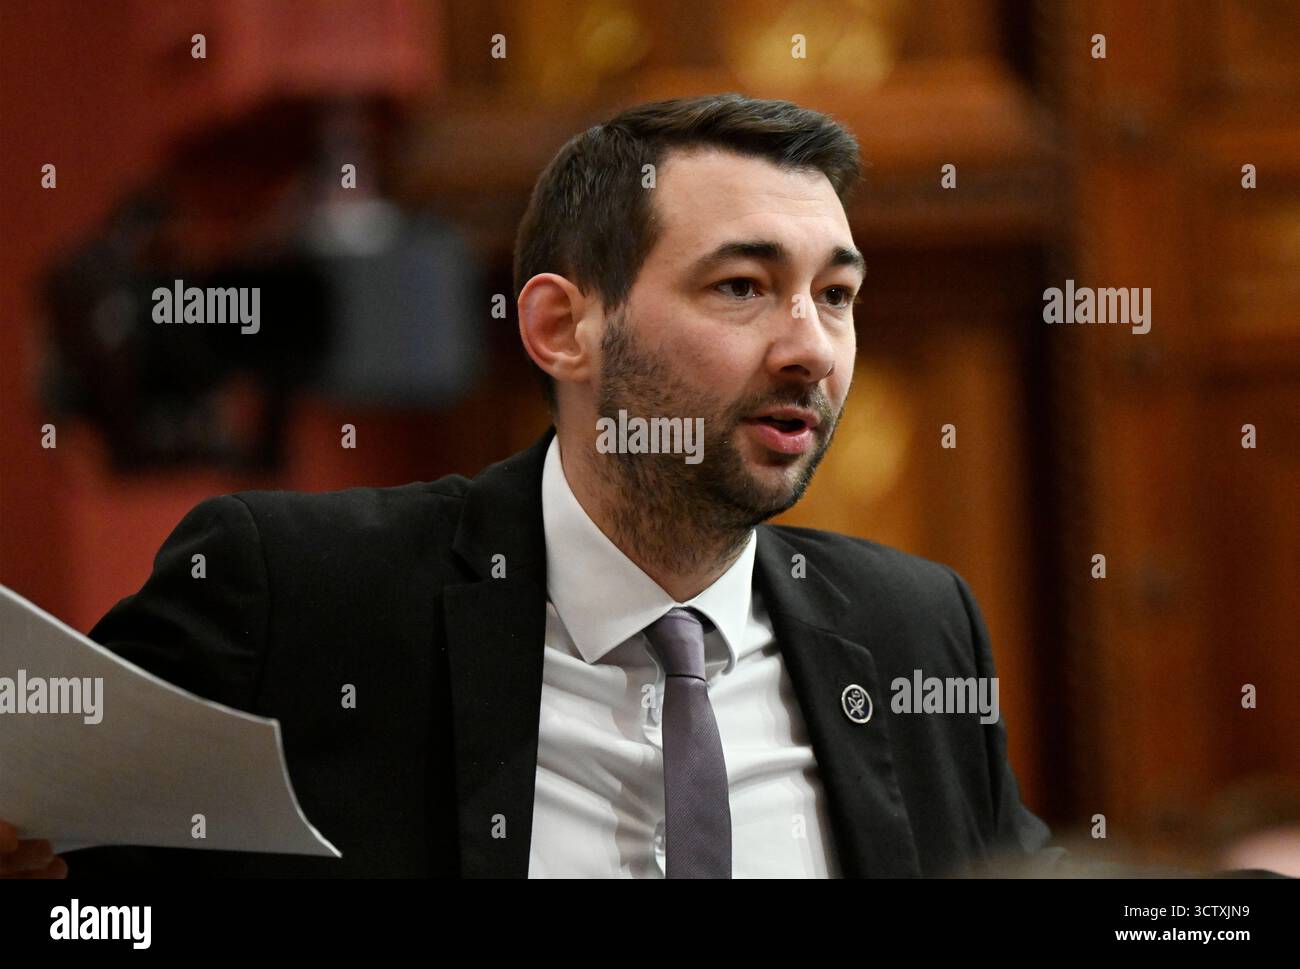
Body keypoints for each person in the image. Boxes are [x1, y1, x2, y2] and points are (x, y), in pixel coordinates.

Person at [2, 93, 1063, 878]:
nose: (811, 349)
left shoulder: (914, 628)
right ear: (562, 328)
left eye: (835, 295)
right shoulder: (297, 597)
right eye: (742, 286)